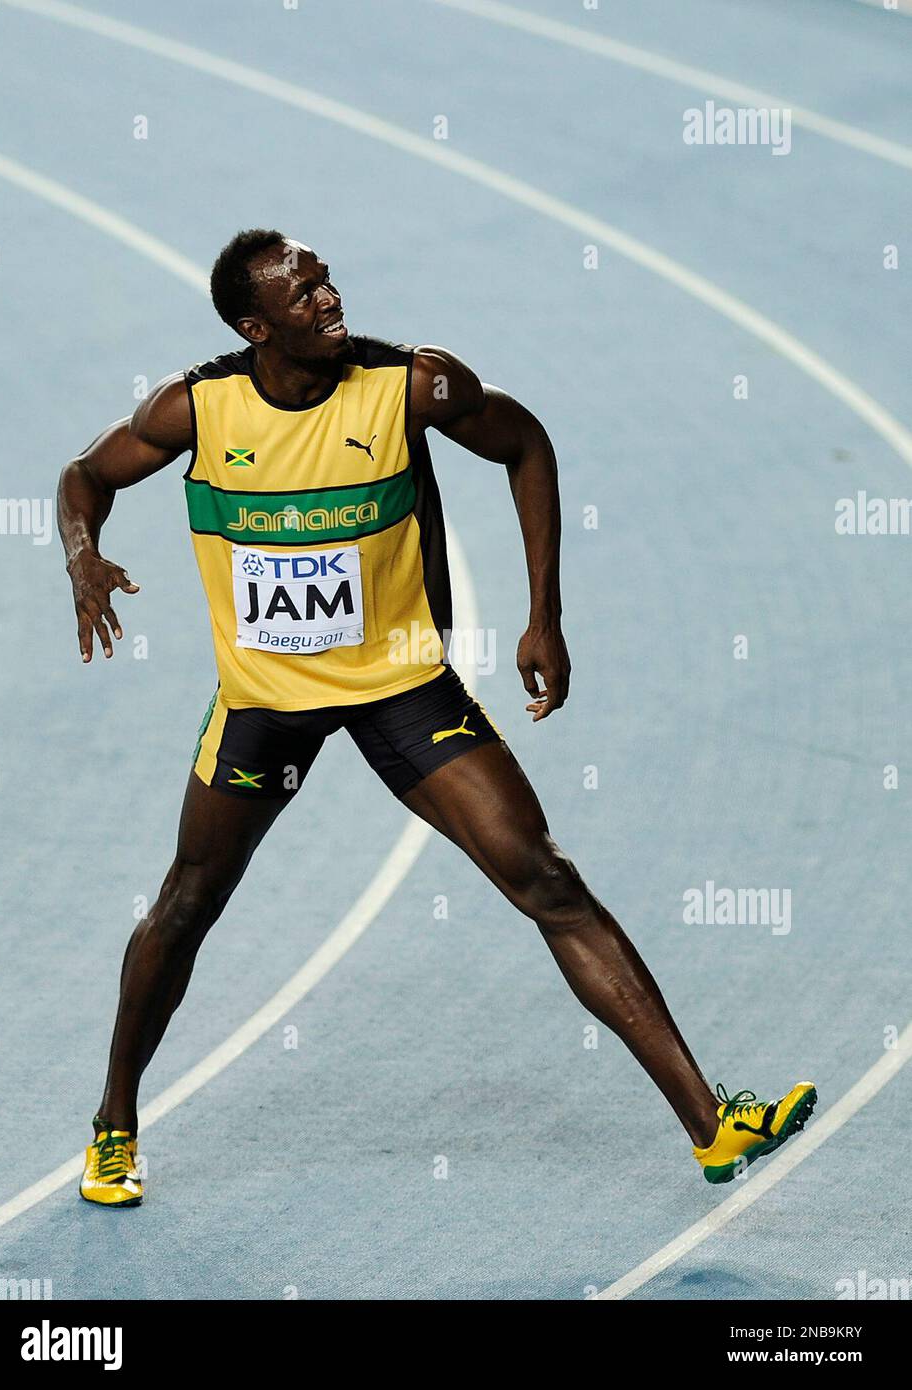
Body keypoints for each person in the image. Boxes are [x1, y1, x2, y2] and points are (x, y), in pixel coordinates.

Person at [60, 230, 816, 1207]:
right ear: (255, 327)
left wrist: (543, 613)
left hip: (400, 685)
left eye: (326, 280)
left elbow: (523, 441)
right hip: (265, 704)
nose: (329, 299)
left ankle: (712, 1129)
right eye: (303, 295)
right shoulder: (197, 408)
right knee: (186, 903)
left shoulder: (408, 385)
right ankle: (113, 1125)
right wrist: (82, 554)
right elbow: (86, 476)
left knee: (545, 879)